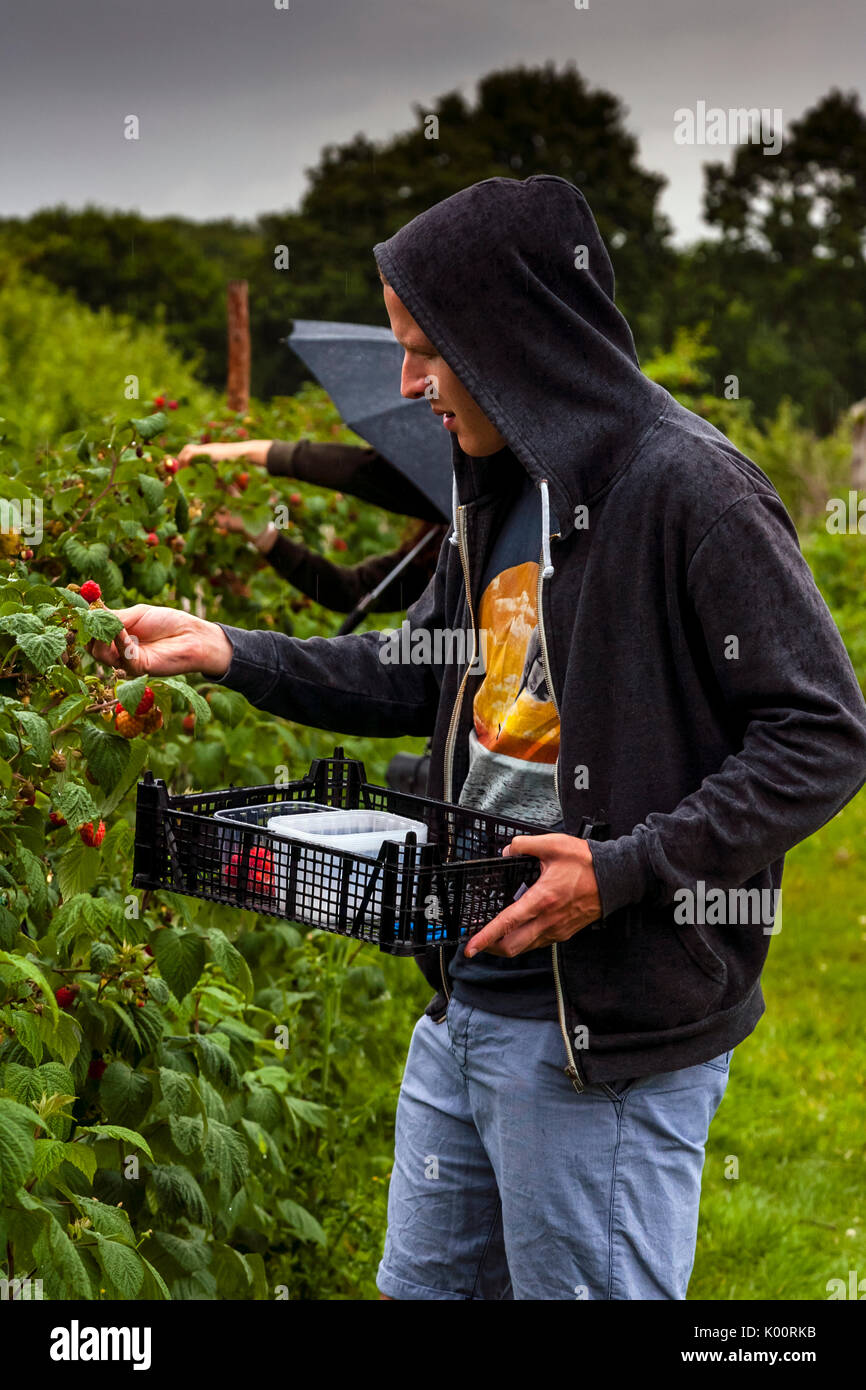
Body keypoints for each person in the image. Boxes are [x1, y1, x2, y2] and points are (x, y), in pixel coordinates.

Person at [92, 175, 866, 1300]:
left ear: (507, 336)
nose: (408, 383)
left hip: (598, 1034)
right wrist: (229, 647)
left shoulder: (689, 493)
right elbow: (416, 674)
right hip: (464, 996)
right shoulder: (494, 492)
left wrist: (622, 869)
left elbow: (821, 734)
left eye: (426, 351)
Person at [175, 435, 447, 615]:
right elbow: (350, 591)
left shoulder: (458, 496)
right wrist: (262, 535)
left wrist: (244, 451)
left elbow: (366, 473)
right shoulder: (445, 541)